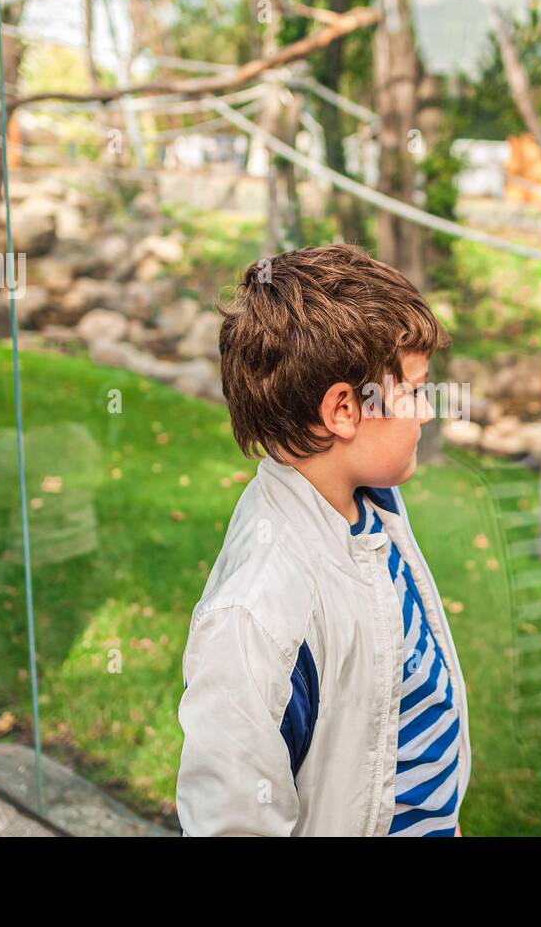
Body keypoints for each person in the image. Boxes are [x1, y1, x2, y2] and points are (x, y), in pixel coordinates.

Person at [176, 244, 471, 836]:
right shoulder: (259, 615)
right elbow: (232, 820)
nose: (428, 412)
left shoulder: (367, 510)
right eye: (414, 391)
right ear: (343, 410)